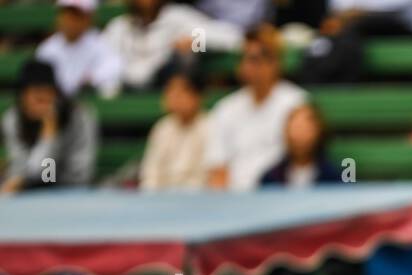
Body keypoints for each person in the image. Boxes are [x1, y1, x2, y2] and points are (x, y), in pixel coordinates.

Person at [204, 25, 307, 190]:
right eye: (243, 58)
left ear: (275, 62)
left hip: (282, 197)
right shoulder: (224, 109)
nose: (247, 66)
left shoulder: (297, 104)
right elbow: (218, 170)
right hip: (235, 203)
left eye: (255, 59)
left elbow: (303, 165)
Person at [102, 0, 244, 91]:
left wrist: (195, 42)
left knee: (186, 55)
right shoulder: (118, 27)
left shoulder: (177, 18)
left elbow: (230, 37)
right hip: (126, 91)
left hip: (165, 86)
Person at [2, 59, 98, 193]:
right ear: (23, 97)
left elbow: (81, 172)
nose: (44, 102)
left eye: (48, 93)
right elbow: (21, 169)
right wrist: (48, 136)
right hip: (28, 194)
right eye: (37, 95)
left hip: (71, 192)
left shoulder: (80, 117)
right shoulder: (12, 120)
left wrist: (50, 135)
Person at [139, 62, 209, 190]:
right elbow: (150, 174)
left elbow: (206, 179)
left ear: (198, 96)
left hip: (197, 202)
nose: (174, 97)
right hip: (160, 202)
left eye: (182, 92)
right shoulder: (162, 128)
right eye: (170, 91)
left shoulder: (210, 128)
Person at [36, 0, 124, 99]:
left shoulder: (103, 44)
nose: (71, 21)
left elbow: (113, 72)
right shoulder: (47, 49)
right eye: (68, 14)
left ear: (89, 17)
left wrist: (91, 80)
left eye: (77, 15)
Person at [261, 102, 341, 185]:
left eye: (305, 129)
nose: (299, 135)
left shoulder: (335, 177)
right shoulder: (271, 178)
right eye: (296, 128)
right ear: (286, 133)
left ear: (318, 132)